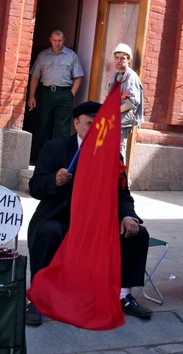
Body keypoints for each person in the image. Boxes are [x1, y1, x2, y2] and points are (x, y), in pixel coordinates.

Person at [25, 101, 152, 326]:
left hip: (97, 219)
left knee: (136, 233)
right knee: (49, 231)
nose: (94, 129)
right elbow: (35, 187)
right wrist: (54, 179)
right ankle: (38, 298)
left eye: (99, 125)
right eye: (89, 124)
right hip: (61, 215)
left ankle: (123, 296)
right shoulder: (55, 148)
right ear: (76, 123)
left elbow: (122, 193)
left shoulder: (112, 154)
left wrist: (127, 215)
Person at [27, 29, 84, 145]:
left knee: (62, 129)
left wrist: (71, 94)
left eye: (59, 40)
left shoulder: (71, 56)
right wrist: (31, 96)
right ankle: (42, 157)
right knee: (43, 126)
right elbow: (35, 77)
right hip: (47, 93)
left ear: (64, 40)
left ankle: (59, 158)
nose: (57, 43)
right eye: (54, 40)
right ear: (50, 40)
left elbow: (78, 77)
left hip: (64, 94)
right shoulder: (43, 56)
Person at [107, 43, 143, 162]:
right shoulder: (116, 75)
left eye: (122, 58)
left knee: (119, 151)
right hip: (114, 119)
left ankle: (120, 179)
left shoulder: (131, 77)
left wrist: (114, 112)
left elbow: (132, 101)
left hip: (123, 120)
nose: (119, 60)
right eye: (117, 57)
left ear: (129, 59)